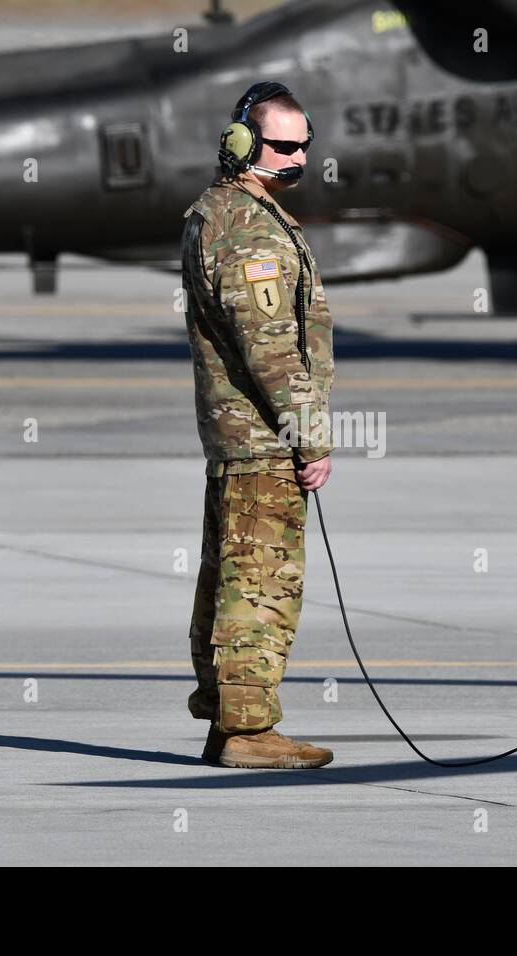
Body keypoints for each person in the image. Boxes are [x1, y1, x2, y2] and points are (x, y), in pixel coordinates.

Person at [179, 81, 336, 769]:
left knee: (228, 576)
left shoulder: (224, 211)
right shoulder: (249, 228)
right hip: (263, 440)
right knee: (262, 585)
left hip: (239, 438)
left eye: (305, 145)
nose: (296, 157)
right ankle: (248, 731)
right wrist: (311, 437)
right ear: (242, 143)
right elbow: (269, 345)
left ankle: (227, 723)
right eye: (282, 145)